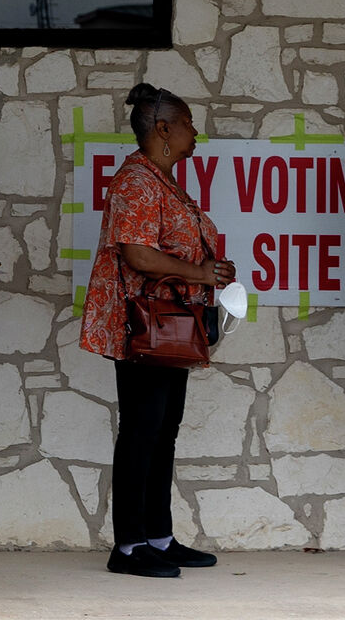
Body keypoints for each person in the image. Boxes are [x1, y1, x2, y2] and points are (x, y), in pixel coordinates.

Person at [79, 83, 235, 580]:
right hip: (144, 324)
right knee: (142, 430)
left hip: (171, 325)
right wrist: (201, 273)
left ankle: (158, 537)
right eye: (188, 123)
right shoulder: (136, 181)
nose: (195, 132)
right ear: (163, 129)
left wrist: (210, 270)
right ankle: (128, 546)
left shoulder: (162, 181)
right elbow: (138, 254)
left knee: (163, 431)